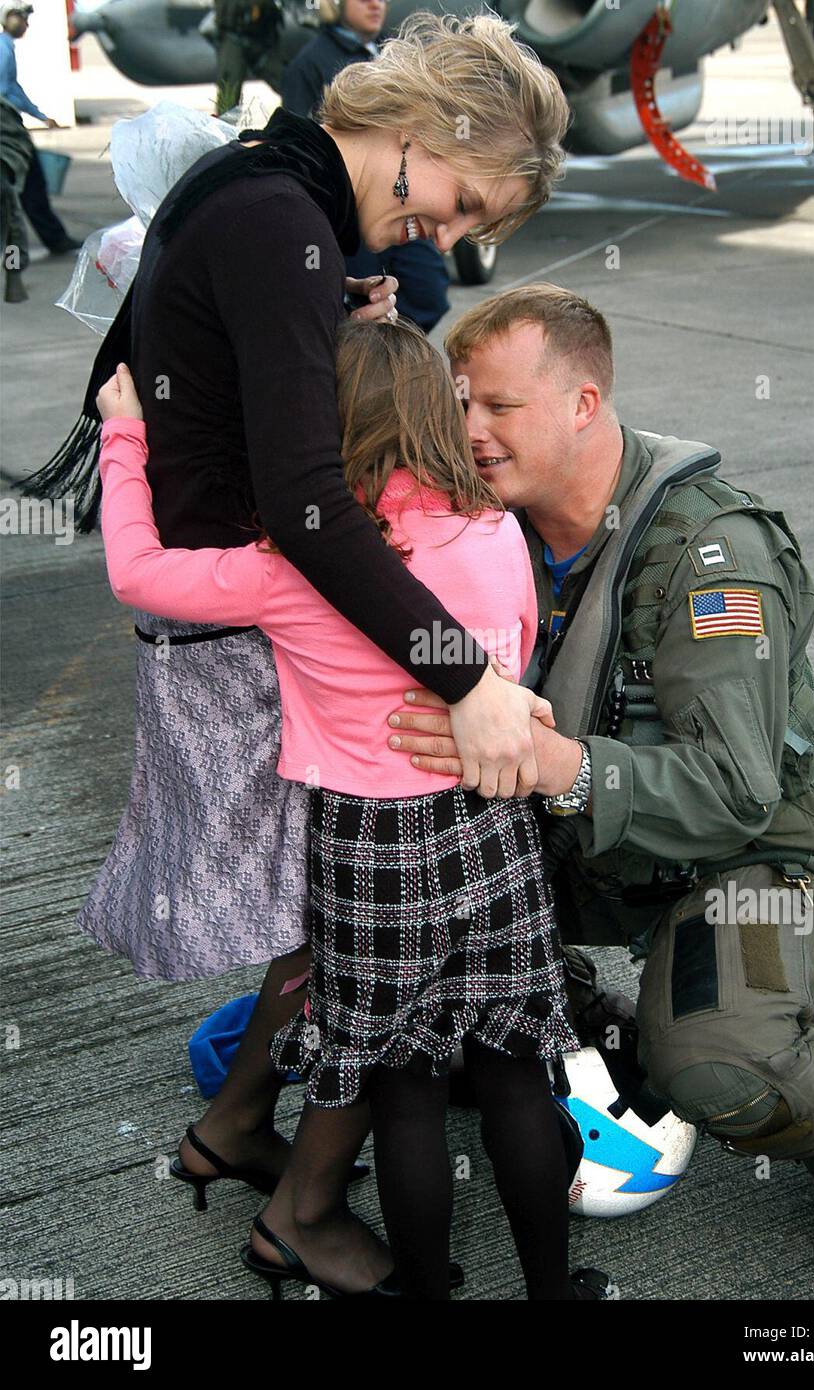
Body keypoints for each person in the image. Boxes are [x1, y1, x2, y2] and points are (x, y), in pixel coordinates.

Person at [24, 12, 570, 1294]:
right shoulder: (286, 221)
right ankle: (306, 1210)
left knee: (323, 930)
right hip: (238, 617)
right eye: (454, 205)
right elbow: (314, 504)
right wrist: (467, 677)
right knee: (341, 936)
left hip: (218, 597)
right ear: (425, 133)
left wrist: (326, 309)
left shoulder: (271, 189)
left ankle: (232, 1130)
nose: (447, 238)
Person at [386, 283, 814, 1298]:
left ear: (583, 403)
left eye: (496, 405)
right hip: (599, 831)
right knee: (399, 962)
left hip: (752, 852)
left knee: (722, 1059)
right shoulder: (488, 529)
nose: (467, 430)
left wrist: (556, 766)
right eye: (458, 402)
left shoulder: (712, 560)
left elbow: (731, 788)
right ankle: (581, 1002)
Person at [93, 332, 611, 1301]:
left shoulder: (290, 567)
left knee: (402, 1087)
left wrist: (126, 439)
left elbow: (138, 574)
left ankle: (421, 1290)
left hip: (371, 844)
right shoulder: (497, 527)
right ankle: (550, 1289)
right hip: (493, 816)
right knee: (512, 1068)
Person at [282, 0, 451, 332]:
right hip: (350, 215)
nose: (376, 4)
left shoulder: (395, 56)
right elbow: (301, 145)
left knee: (428, 289)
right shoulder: (309, 65)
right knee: (364, 304)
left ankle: (388, 353)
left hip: (402, 202)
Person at [0, 1, 80, 271]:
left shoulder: (5, 47)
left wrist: (39, 115)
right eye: (22, 18)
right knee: (31, 183)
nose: (26, 24)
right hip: (6, 130)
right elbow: (7, 91)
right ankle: (54, 239)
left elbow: (13, 88)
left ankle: (53, 238)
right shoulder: (3, 49)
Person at [212, 0, 286, 116]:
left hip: (262, 37)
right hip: (233, 35)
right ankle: (224, 131)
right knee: (227, 100)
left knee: (288, 82)